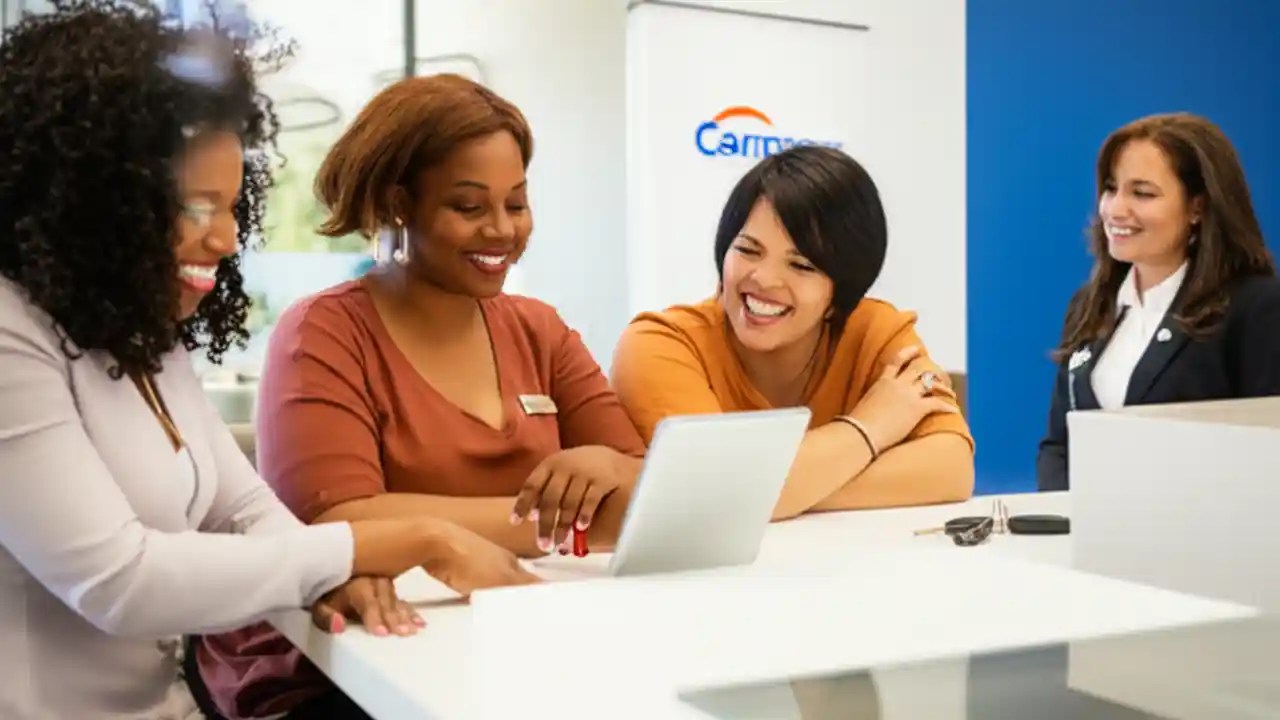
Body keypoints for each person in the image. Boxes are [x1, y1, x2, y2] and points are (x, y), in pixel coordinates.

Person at [0, 4, 535, 718]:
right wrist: (399, 543)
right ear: (94, 197)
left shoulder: (139, 332)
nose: (226, 240)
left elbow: (243, 507)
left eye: (231, 206)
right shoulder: (10, 334)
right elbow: (119, 581)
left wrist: (325, 574)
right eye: (198, 208)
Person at [196, 73, 646, 716]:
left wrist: (607, 466)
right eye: (469, 207)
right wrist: (562, 525)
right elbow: (340, 523)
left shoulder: (538, 328)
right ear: (398, 203)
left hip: (512, 636)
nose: (502, 229)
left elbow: (643, 491)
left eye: (516, 203)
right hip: (342, 661)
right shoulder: (323, 332)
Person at [610, 146, 974, 520]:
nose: (764, 279)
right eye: (748, 250)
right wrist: (869, 428)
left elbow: (952, 468)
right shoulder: (660, 345)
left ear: (841, 294)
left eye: (801, 265)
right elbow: (719, 495)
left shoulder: (876, 331)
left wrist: (781, 492)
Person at [1035, 113, 1280, 491]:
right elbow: (1059, 445)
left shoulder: (1255, 306)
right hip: (1087, 527)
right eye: (1111, 188)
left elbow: (1265, 455)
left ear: (1198, 207)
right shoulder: (1088, 304)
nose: (1115, 209)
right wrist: (1065, 513)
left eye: (1143, 193)